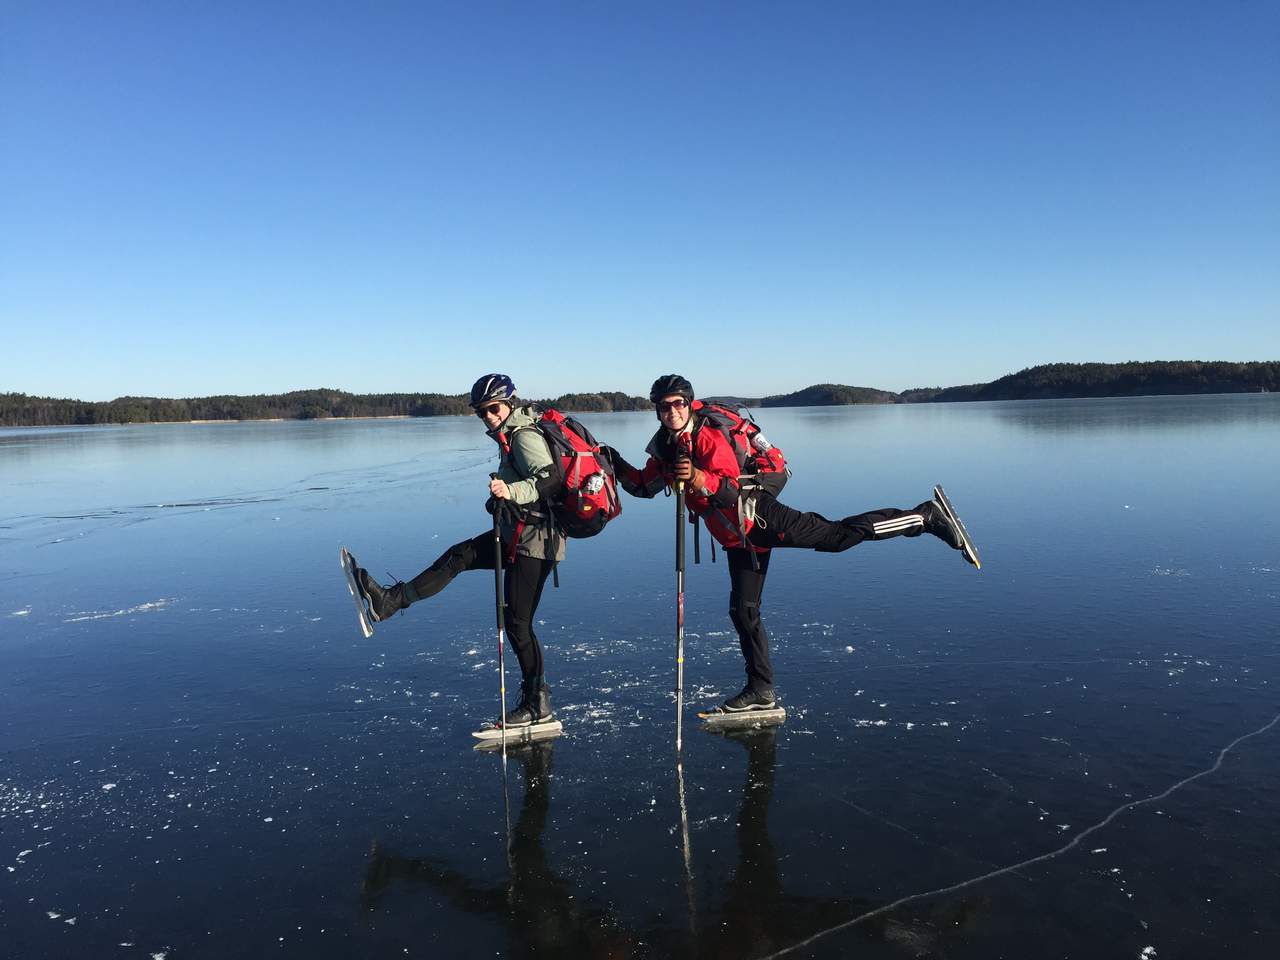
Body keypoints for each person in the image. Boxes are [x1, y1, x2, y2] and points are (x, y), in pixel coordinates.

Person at [610, 374, 979, 714]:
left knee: (835, 538)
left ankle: (924, 517)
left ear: (689, 404)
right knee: (743, 611)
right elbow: (645, 485)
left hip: (759, 517)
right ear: (657, 411)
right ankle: (761, 690)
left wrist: (697, 477)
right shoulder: (668, 446)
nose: (672, 411)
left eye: (678, 404)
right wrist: (614, 464)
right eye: (664, 406)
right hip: (738, 535)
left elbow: (728, 489)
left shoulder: (707, 436)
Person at [346, 374, 563, 728]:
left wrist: (512, 494)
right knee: (458, 556)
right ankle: (389, 601)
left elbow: (549, 478)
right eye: (482, 412)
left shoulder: (524, 435)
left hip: (538, 543)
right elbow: (525, 485)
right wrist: (502, 501)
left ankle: (538, 703)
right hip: (518, 533)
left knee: (518, 624)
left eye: (493, 408)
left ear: (510, 403)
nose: (489, 417)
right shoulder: (510, 435)